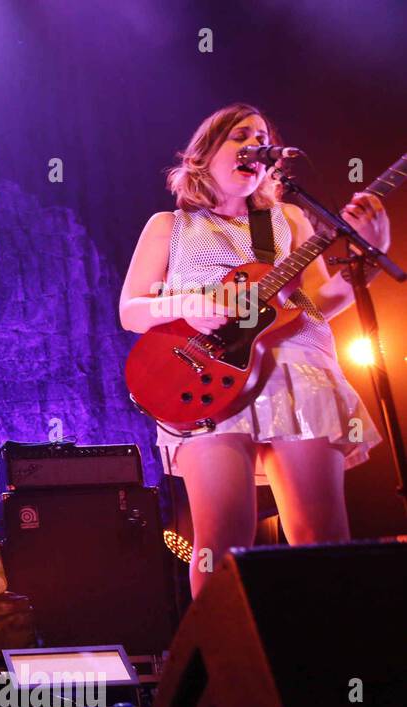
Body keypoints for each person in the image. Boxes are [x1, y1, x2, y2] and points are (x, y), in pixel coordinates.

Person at [120, 104, 389, 595]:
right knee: (221, 542)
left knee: (321, 537)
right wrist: (189, 304)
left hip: (299, 372)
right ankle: (220, 669)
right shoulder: (170, 226)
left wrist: (368, 259)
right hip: (207, 377)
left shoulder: (287, 219)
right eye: (239, 135)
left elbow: (321, 301)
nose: (254, 145)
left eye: (262, 138)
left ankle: (327, 664)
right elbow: (131, 310)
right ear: (205, 152)